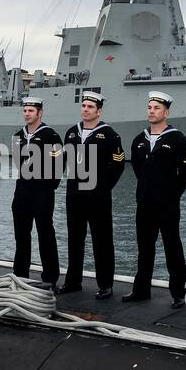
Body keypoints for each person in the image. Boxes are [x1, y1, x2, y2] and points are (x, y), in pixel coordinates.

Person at [123, 91, 186, 307]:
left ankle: (179, 293)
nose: (152, 111)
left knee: (173, 247)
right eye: (150, 107)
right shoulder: (139, 140)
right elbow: (138, 168)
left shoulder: (178, 139)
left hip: (168, 204)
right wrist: (147, 189)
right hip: (145, 203)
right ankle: (141, 290)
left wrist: (172, 194)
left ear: (166, 112)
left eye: (157, 108)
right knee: (144, 248)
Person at [57, 91, 125, 300]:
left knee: (102, 241)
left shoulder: (110, 135)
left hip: (98, 197)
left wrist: (103, 188)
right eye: (84, 106)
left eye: (90, 107)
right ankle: (73, 281)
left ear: (99, 111)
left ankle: (105, 284)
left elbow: (118, 165)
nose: (85, 109)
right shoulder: (71, 133)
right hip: (74, 195)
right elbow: (62, 162)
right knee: (75, 240)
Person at [10, 97, 63, 288]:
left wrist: (48, 186)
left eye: (30, 111)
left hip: (42, 192)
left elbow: (59, 164)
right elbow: (17, 162)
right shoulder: (18, 136)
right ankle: (20, 275)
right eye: (24, 110)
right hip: (22, 191)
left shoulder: (51, 136)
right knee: (21, 235)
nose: (27, 114)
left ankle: (50, 278)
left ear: (39, 113)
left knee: (45, 234)